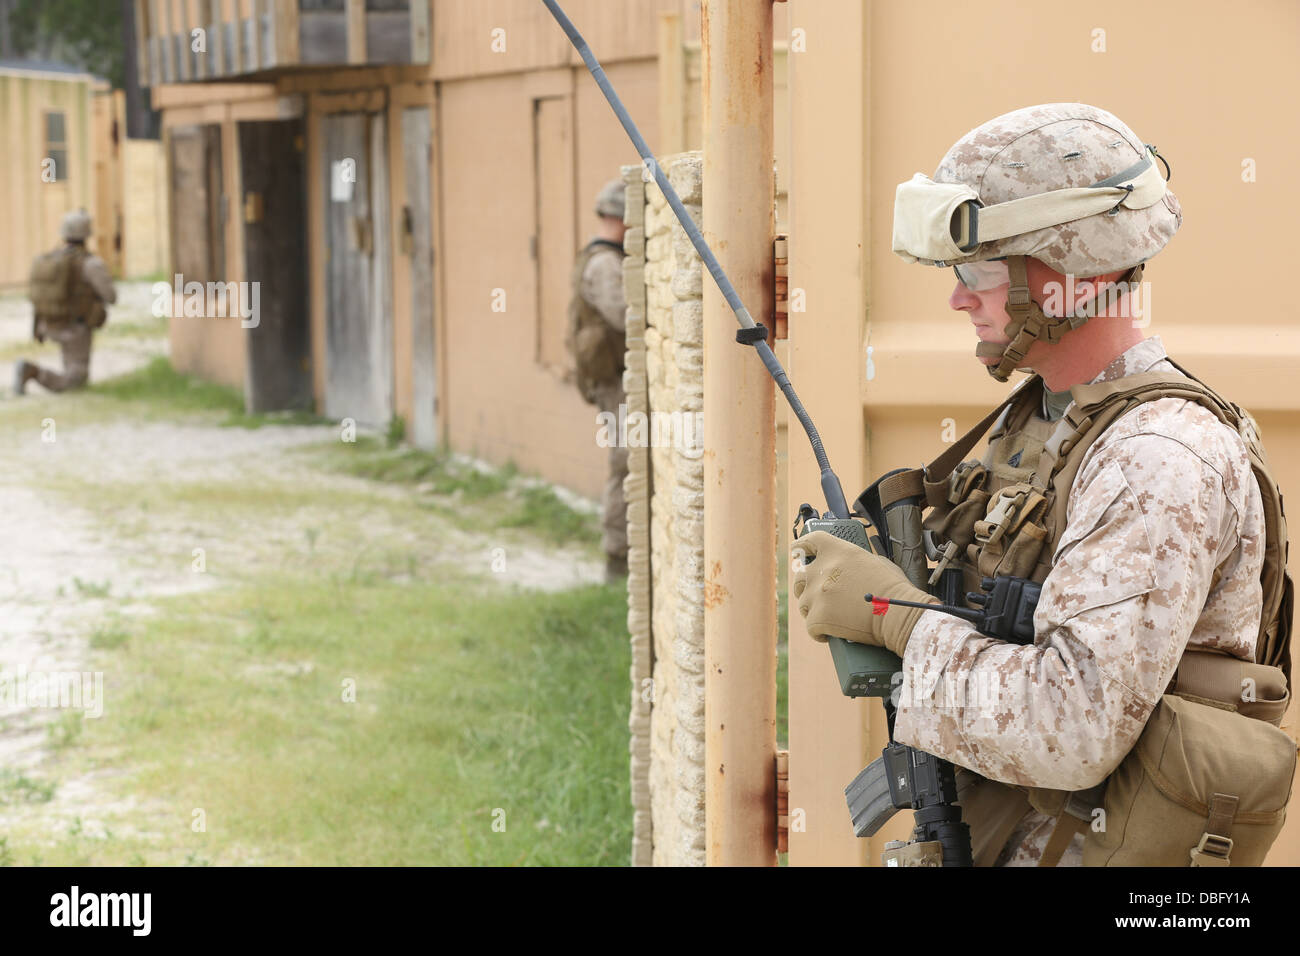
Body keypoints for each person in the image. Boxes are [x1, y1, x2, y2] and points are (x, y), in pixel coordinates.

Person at [792, 104, 1288, 866]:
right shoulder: (1047, 420)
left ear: (1072, 270)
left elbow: (1074, 726)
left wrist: (896, 618)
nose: (959, 298)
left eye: (982, 272)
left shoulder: (1155, 458)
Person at [568, 179, 629, 583]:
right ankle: (616, 559)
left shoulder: (601, 256)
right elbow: (625, 316)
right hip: (613, 380)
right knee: (625, 464)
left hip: (611, 377)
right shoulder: (606, 263)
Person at [15, 209, 116, 395]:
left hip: (49, 323)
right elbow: (111, 296)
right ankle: (32, 371)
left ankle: (34, 371)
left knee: (72, 367)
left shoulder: (50, 259)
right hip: (75, 328)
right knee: (76, 381)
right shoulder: (90, 264)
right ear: (87, 234)